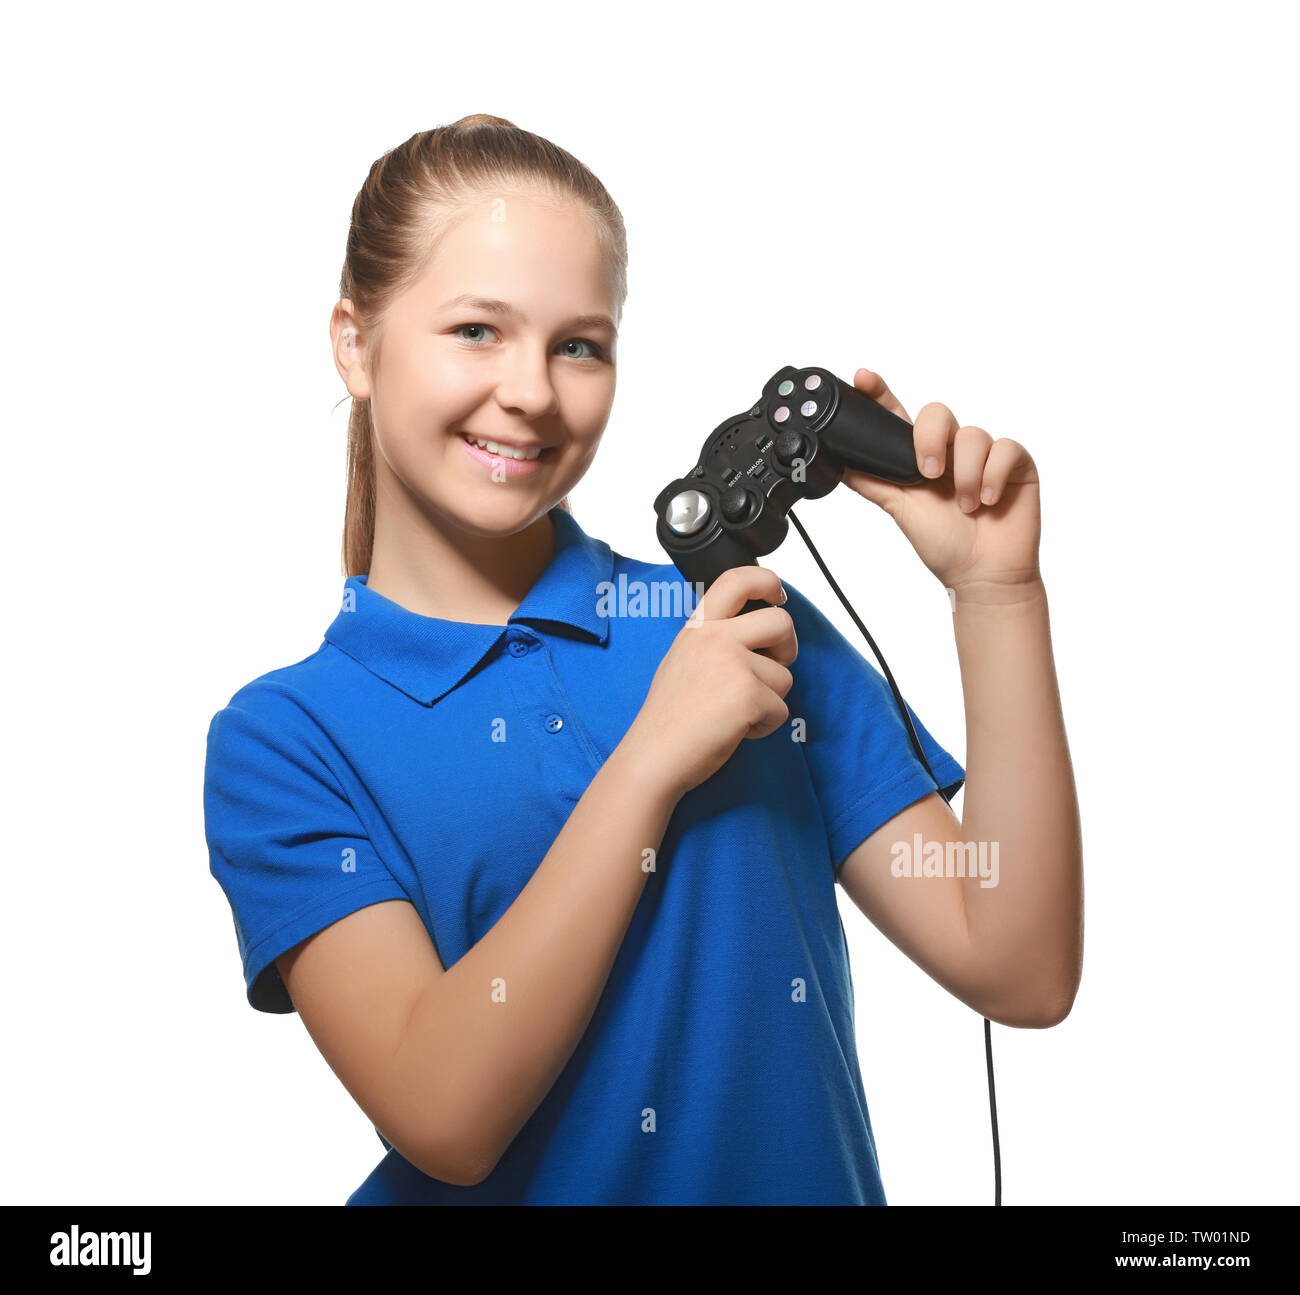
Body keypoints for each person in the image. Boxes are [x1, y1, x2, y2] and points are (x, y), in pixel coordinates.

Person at [203, 114, 1083, 1205]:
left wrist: (996, 592)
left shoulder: (741, 621)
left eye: (578, 343)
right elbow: (443, 1114)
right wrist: (652, 757)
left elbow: (1017, 962)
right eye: (476, 330)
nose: (530, 389)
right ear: (354, 340)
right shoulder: (286, 741)